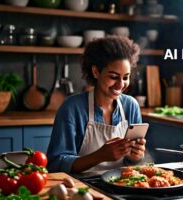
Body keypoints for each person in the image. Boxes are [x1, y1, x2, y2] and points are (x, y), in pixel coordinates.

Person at [47, 36, 146, 174]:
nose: (121, 84)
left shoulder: (131, 106)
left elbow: (132, 165)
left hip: (121, 185)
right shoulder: (72, 108)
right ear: (96, 72)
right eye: (113, 77)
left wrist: (136, 157)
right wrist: (100, 156)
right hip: (82, 189)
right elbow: (56, 164)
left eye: (125, 77)